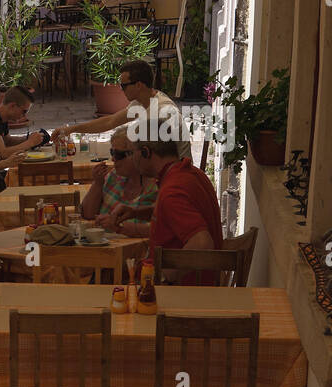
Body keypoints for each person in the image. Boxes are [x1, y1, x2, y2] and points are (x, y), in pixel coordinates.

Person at [133, 131, 223, 285]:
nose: (133, 160)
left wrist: (162, 277)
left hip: (180, 294)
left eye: (132, 153)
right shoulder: (193, 173)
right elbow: (172, 215)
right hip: (205, 286)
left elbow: (202, 244)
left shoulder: (172, 191)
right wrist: (135, 213)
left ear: (145, 152)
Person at [52, 60, 185, 159]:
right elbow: (110, 121)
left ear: (138, 85)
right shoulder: (144, 101)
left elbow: (153, 158)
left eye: (124, 86)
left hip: (173, 175)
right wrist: (71, 129)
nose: (121, 90)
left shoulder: (162, 112)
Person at [81, 126, 158, 233]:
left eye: (118, 154)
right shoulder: (113, 176)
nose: (113, 159)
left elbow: (158, 230)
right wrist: (97, 184)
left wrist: (119, 227)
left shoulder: (156, 187)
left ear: (138, 154)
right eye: (112, 152)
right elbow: (88, 214)